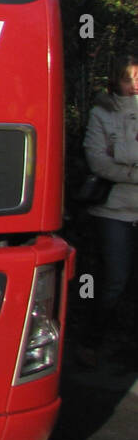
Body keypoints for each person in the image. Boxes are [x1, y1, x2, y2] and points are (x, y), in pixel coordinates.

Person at [77, 54, 138, 368]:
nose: (135, 85)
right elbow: (98, 161)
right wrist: (129, 169)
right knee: (114, 279)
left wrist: (123, 158)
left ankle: (125, 344)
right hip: (113, 210)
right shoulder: (102, 113)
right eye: (130, 78)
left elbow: (114, 158)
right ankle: (92, 341)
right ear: (117, 80)